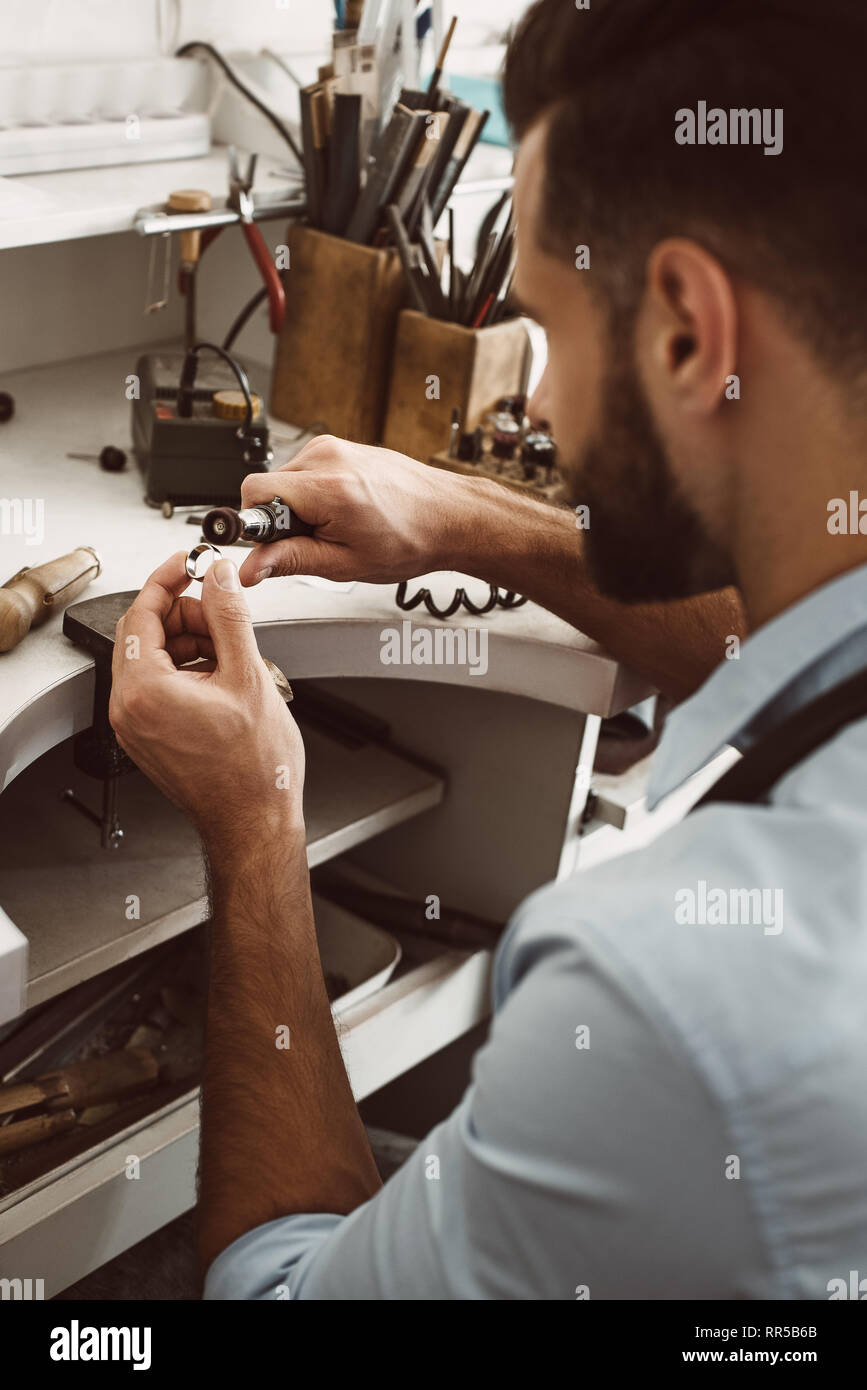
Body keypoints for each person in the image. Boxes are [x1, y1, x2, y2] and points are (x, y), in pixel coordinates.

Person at [110, 0, 867, 1298]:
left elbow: (280, 1289)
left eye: (555, 331)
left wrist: (257, 818)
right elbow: (792, 651)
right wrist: (460, 517)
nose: (534, 407)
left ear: (689, 329)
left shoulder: (671, 996)